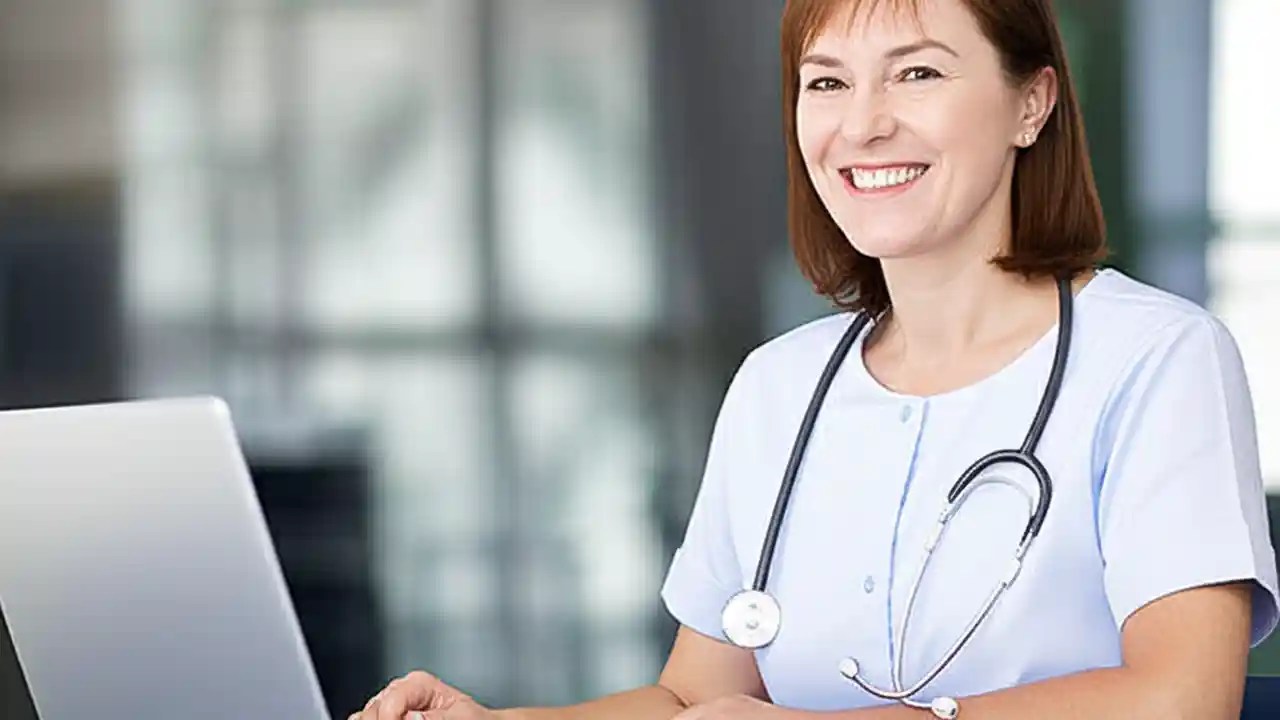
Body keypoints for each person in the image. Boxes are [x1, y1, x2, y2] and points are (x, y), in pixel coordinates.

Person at [352, 0, 1279, 717]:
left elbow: (1183, 698)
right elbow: (691, 698)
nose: (863, 124)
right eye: (827, 82)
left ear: (1030, 103)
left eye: (916, 73)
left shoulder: (1157, 361)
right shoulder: (780, 386)